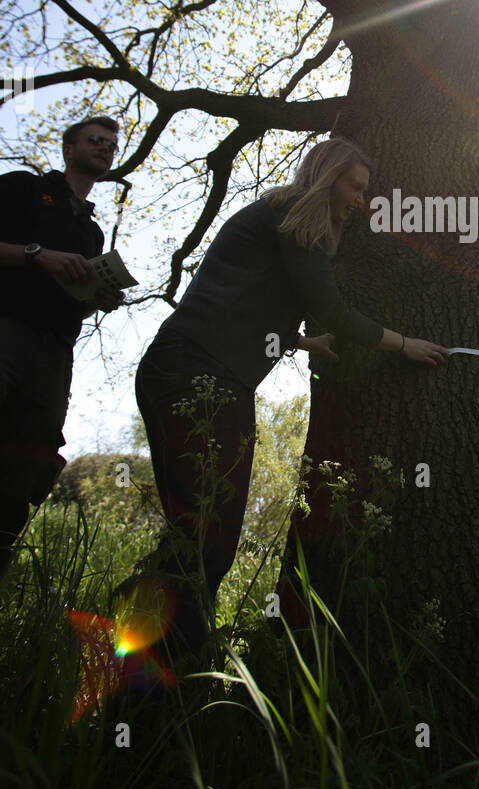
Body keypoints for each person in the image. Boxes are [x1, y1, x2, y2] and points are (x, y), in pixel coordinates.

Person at [128, 136, 449, 669]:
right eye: (355, 186)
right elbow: (327, 303)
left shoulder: (277, 220)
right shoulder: (294, 217)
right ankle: (152, 667)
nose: (360, 200)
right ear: (327, 176)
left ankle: (163, 662)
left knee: (205, 526)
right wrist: (402, 343)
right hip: (196, 371)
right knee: (206, 528)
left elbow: (248, 296)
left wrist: (302, 342)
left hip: (203, 371)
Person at [0, 116, 124, 579]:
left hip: (54, 358)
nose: (106, 149)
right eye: (96, 140)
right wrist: (37, 254)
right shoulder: (23, 190)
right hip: (7, 330)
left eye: (112, 145)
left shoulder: (92, 235)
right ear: (69, 148)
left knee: (24, 468)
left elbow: (75, 300)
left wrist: (99, 299)